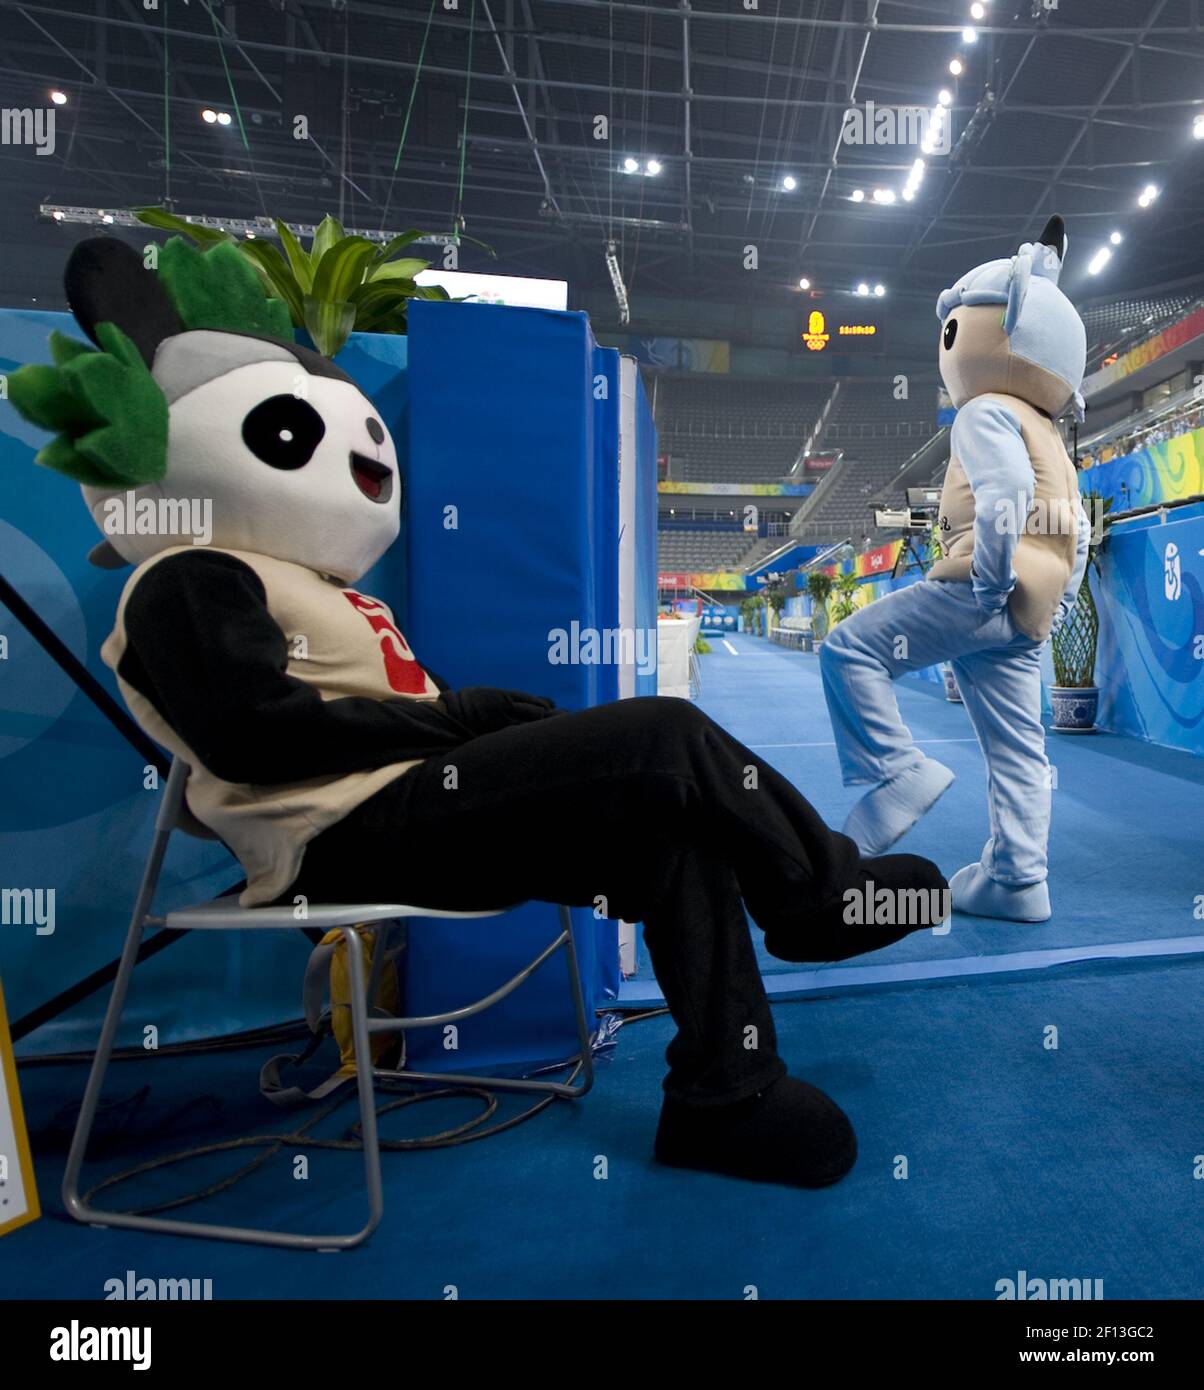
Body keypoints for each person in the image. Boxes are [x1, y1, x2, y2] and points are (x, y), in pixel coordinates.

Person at [10, 236, 947, 1191]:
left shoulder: (312, 583)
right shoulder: (190, 577)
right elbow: (256, 736)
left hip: (408, 808)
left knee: (681, 828)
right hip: (338, 835)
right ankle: (820, 896)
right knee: (663, 733)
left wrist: (478, 728)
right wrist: (456, 720)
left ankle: (725, 1095)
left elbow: (383, 722)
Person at [818, 216, 1090, 923]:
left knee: (849, 650)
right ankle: (1017, 880)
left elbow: (1002, 501)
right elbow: (1079, 533)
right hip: (1031, 612)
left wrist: (990, 585)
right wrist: (1049, 605)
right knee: (1019, 751)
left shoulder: (985, 410)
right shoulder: (1054, 439)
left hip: (982, 588)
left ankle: (896, 769)